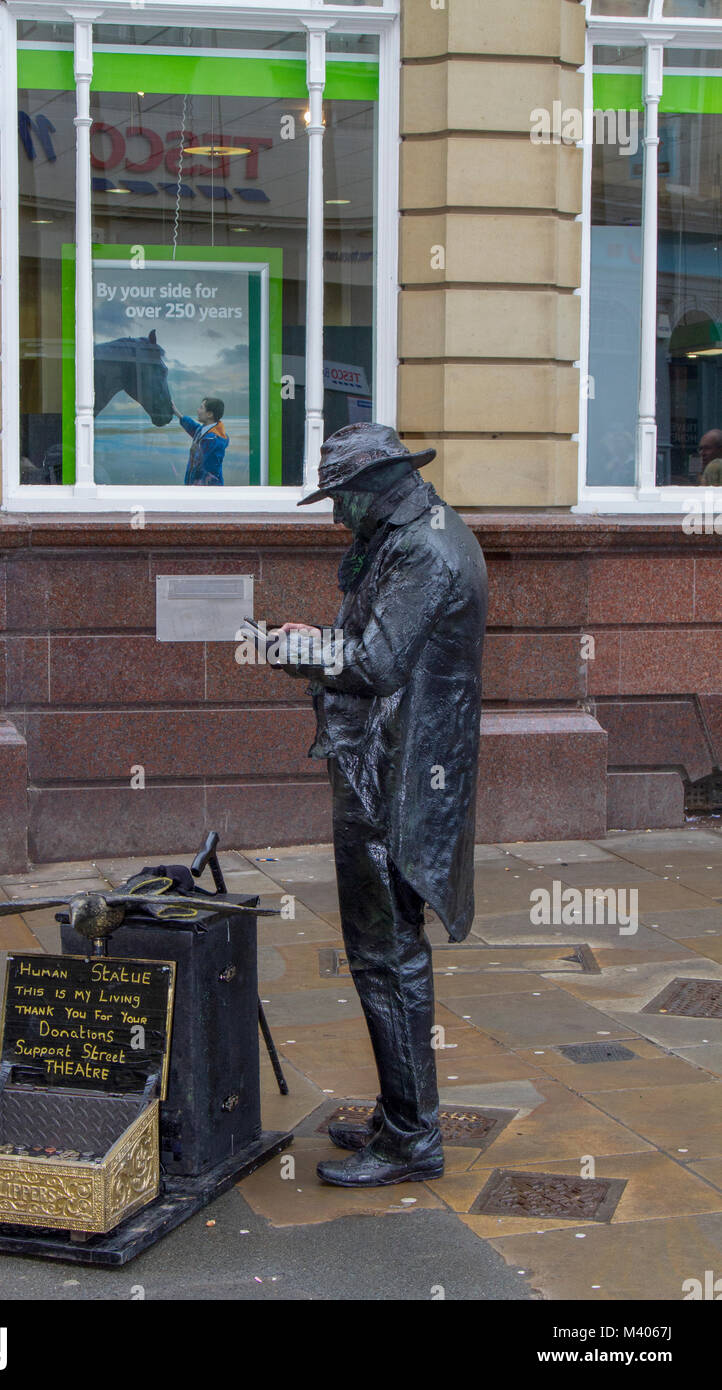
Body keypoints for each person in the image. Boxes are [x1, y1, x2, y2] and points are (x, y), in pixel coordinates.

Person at [271, 422, 488, 1188]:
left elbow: (375, 663)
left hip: (397, 784)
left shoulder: (424, 548)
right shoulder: (414, 532)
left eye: (339, 500)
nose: (335, 517)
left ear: (370, 490)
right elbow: (378, 639)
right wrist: (324, 632)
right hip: (393, 769)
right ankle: (403, 1112)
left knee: (386, 956)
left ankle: (409, 1137)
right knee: (386, 954)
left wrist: (292, 650)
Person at [172, 396, 229, 486]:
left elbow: (204, 468)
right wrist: (178, 414)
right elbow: (193, 427)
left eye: (201, 408)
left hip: (206, 489)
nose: (198, 410)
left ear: (209, 414)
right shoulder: (204, 430)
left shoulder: (213, 440)